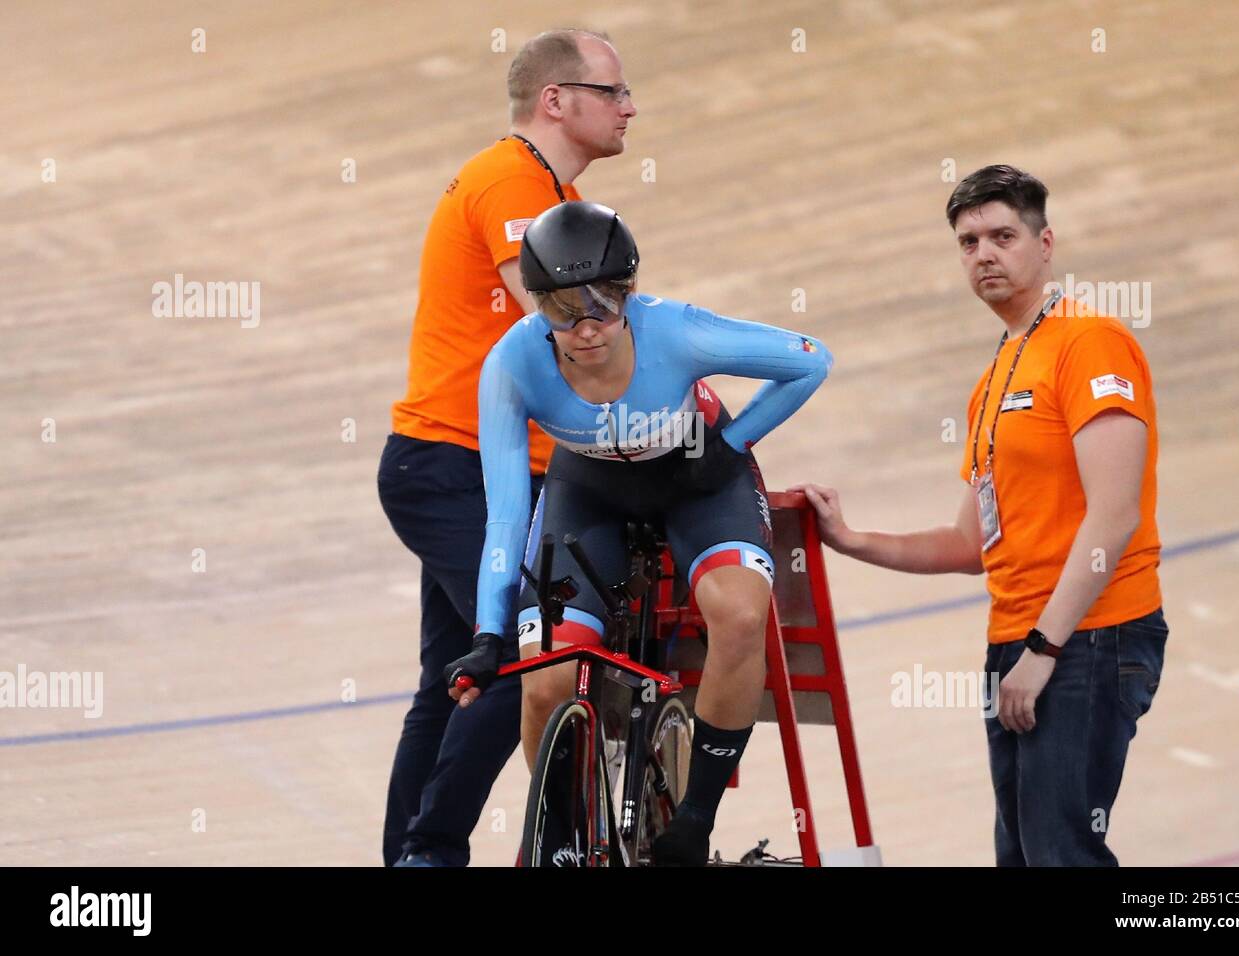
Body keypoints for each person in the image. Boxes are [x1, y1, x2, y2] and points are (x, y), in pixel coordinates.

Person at [794, 165, 1167, 866]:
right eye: (968, 242)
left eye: (1002, 236)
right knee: (1024, 857)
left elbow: (1113, 517)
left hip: (1087, 640)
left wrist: (1046, 649)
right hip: (1021, 641)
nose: (984, 254)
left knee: (1060, 855)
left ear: (1045, 243)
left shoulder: (1088, 344)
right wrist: (851, 539)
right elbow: (971, 542)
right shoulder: (997, 375)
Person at [443, 201, 833, 866]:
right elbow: (507, 512)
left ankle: (695, 819)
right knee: (544, 681)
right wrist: (486, 634)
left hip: (696, 481)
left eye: (602, 304)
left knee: (739, 617)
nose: (585, 326)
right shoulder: (510, 364)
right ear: (534, 305)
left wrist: (732, 444)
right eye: (562, 309)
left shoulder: (675, 331)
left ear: (629, 293)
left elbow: (811, 359)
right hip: (589, 491)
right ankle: (561, 840)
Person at [378, 28, 637, 867]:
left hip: (470, 468)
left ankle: (413, 855)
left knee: (447, 680)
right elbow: (565, 318)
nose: (630, 108)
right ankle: (430, 850)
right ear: (556, 99)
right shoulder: (513, 181)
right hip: (456, 468)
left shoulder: (541, 185)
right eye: (613, 91)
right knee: (525, 660)